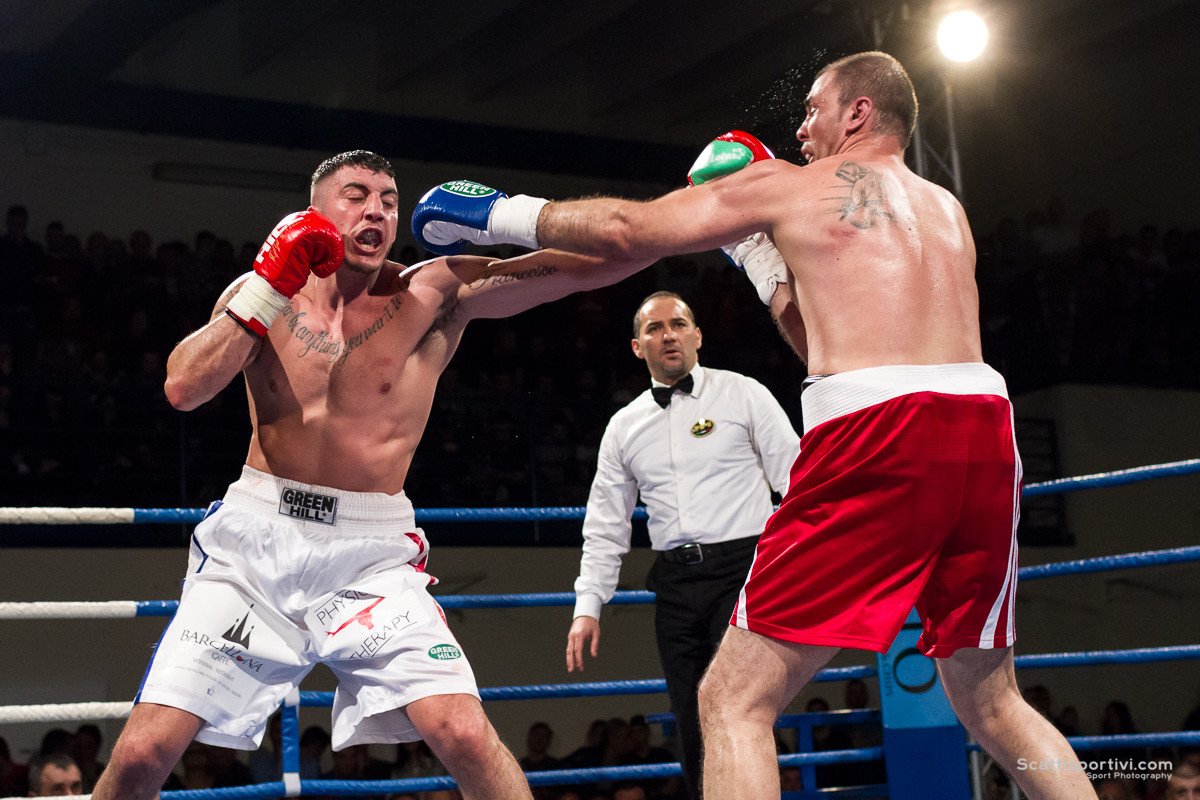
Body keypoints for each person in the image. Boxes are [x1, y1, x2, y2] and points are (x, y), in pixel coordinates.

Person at [411, 51, 1097, 800]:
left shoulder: (790, 185)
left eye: (813, 108)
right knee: (993, 700)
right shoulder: (946, 209)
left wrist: (497, 212)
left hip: (880, 432)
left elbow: (625, 229)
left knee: (732, 701)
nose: (801, 128)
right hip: (985, 432)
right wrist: (752, 250)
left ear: (859, 113)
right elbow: (824, 342)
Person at [91, 149, 654, 800]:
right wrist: (266, 284)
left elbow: (617, 256)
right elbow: (184, 386)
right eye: (356, 195)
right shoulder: (265, 293)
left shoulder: (436, 292)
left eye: (388, 200)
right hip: (254, 544)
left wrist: (507, 218)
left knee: (465, 735)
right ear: (316, 214)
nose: (377, 211)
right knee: (142, 752)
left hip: (371, 557)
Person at [565, 290, 797, 799]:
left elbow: (796, 481)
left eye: (678, 323)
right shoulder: (624, 427)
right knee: (689, 715)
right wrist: (589, 605)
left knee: (737, 704)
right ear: (636, 346)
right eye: (655, 328)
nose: (668, 334)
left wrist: (799, 563)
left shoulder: (744, 395)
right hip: (674, 583)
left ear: (697, 335)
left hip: (744, 571)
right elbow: (607, 522)